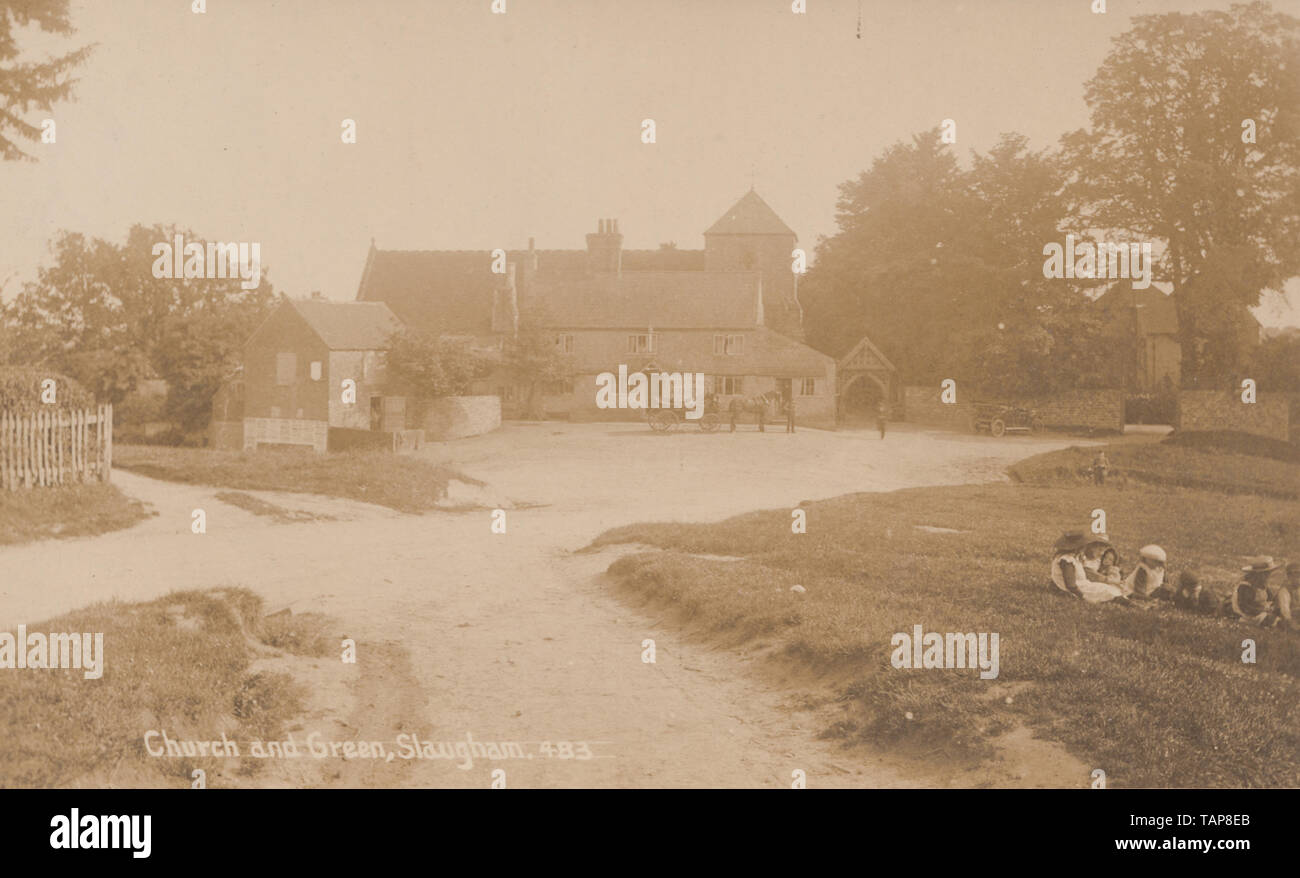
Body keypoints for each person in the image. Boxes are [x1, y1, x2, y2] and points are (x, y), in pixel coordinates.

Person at [1050, 531, 1129, 604]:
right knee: (1107, 590)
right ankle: (1124, 601)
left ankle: (1124, 598)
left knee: (1108, 588)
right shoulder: (1067, 560)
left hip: (1082, 584)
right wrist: (1082, 596)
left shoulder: (1073, 557)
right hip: (1079, 588)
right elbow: (1071, 585)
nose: (1084, 547)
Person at [1229, 557, 1282, 626]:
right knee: (1272, 619)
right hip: (1246, 615)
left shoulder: (1263, 585)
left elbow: (1271, 598)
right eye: (1265, 574)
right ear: (1257, 574)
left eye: (1268, 573)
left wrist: (1273, 605)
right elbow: (1245, 607)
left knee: (1281, 612)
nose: (1268, 576)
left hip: (1260, 611)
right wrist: (1262, 610)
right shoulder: (1246, 587)